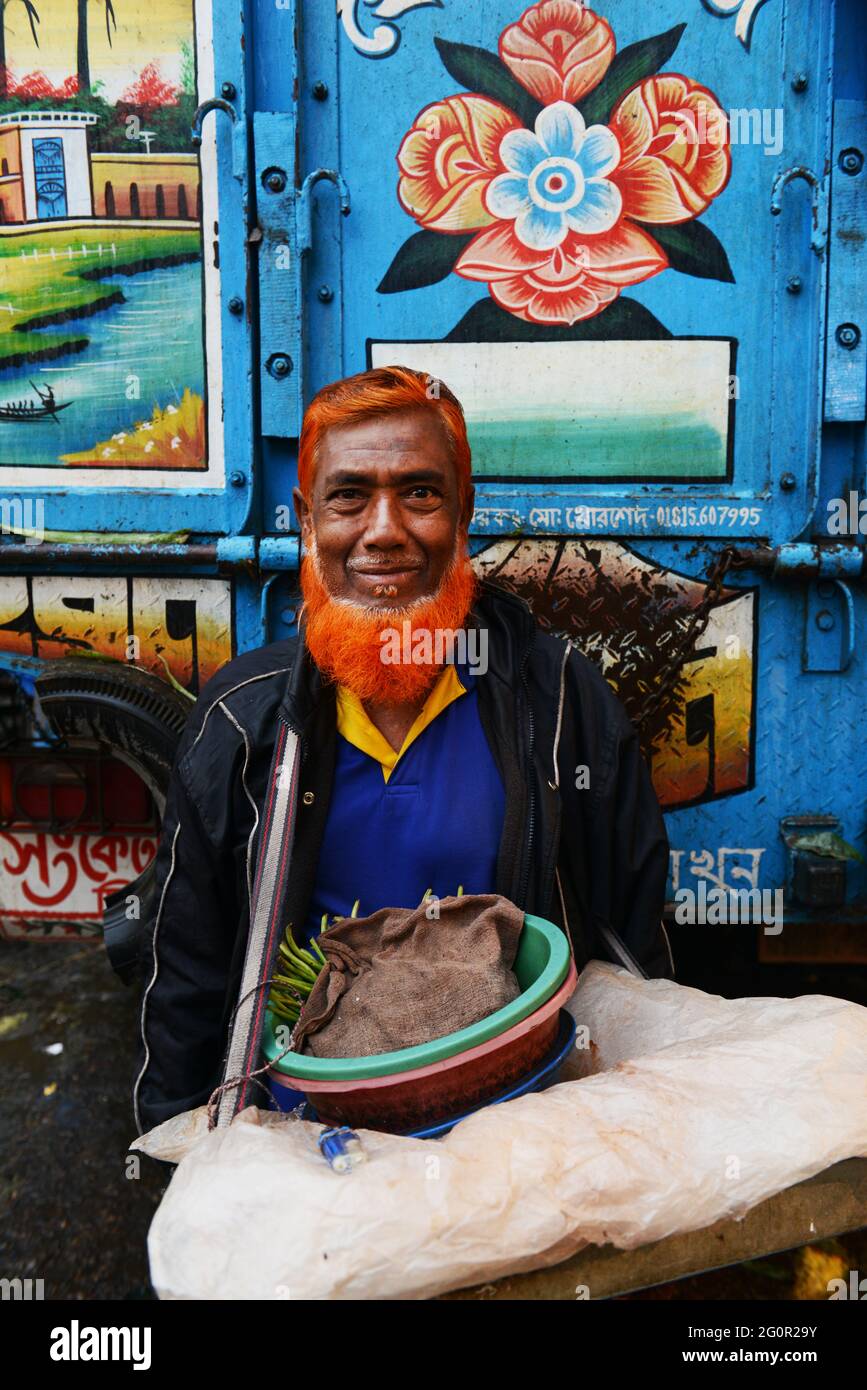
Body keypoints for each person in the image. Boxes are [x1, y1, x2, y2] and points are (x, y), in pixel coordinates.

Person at [133, 365, 671, 1135]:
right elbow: (187, 969)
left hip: (522, 1127)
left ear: (464, 514)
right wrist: (174, 1157)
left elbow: (632, 942)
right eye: (349, 495)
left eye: (419, 493)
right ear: (306, 520)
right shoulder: (244, 720)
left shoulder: (556, 700)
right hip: (305, 1136)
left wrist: (642, 1127)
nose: (383, 529)